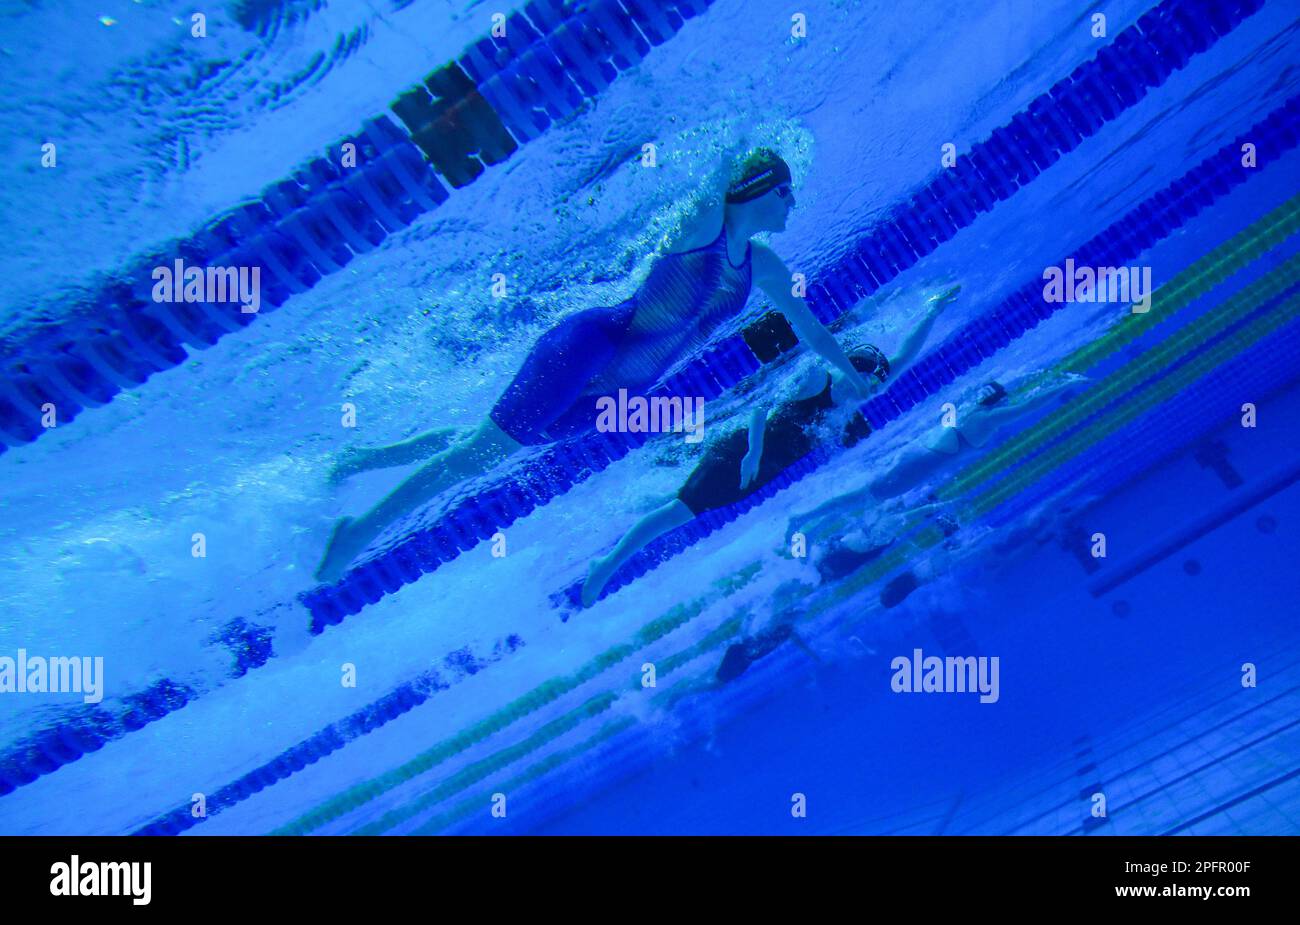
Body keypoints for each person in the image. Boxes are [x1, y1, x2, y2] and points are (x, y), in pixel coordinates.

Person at [315, 148, 875, 583]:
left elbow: (807, 326)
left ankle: (364, 458)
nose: (791, 204)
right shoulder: (707, 224)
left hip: (616, 396)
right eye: (786, 191)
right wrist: (748, 142)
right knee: (480, 456)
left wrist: (849, 372)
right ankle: (357, 533)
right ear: (761, 189)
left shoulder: (763, 265)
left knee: (486, 444)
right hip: (591, 348)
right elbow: (722, 169)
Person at [579, 286, 959, 607]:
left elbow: (905, 355)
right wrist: (753, 454)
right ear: (849, 368)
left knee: (682, 506)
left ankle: (635, 506)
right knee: (682, 510)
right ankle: (606, 564)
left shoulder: (851, 397)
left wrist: (932, 310)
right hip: (743, 454)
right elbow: (762, 407)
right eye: (869, 382)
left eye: (877, 385)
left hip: (762, 467)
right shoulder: (817, 381)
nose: (873, 390)